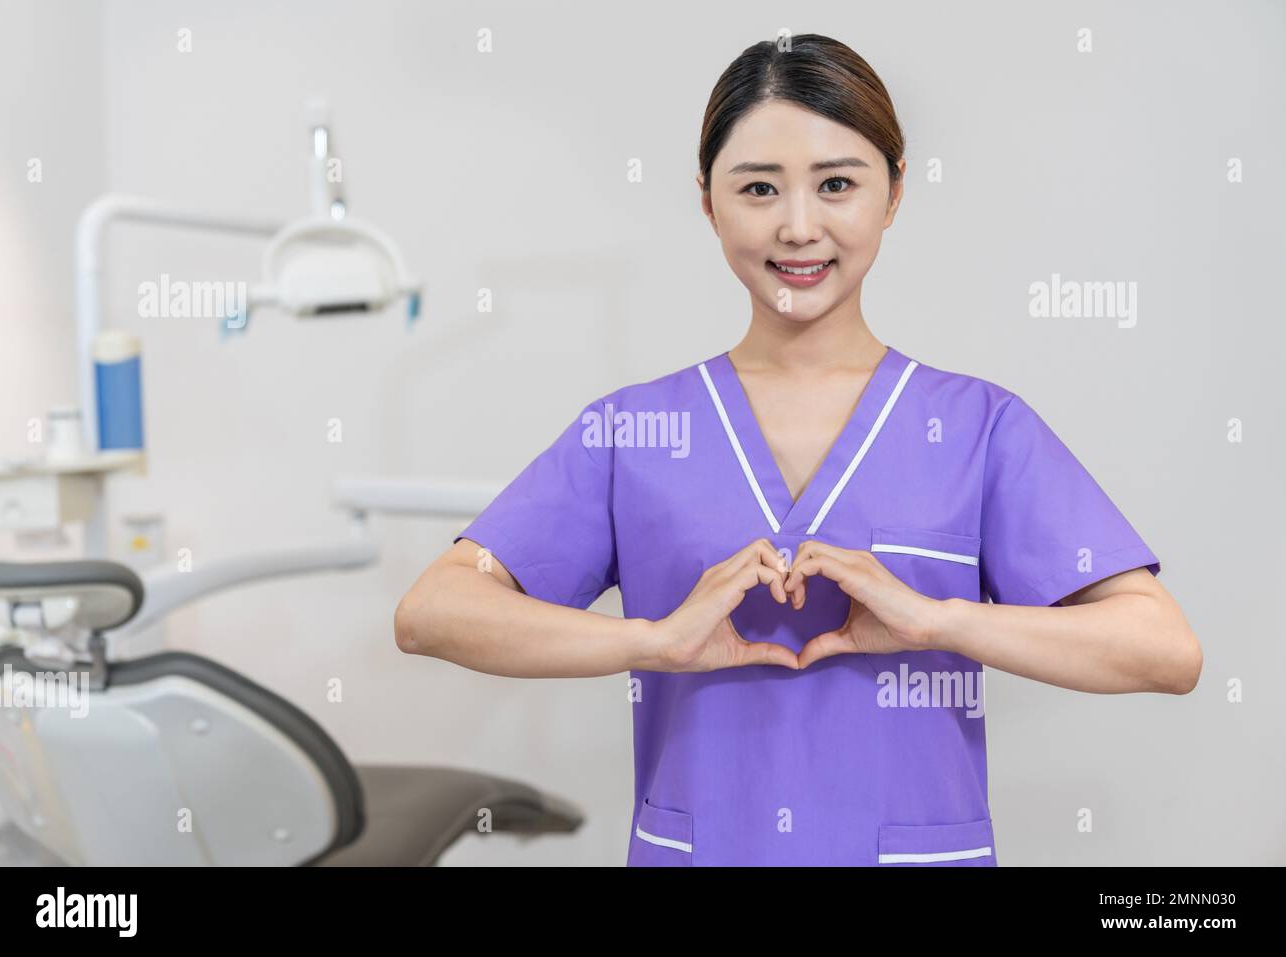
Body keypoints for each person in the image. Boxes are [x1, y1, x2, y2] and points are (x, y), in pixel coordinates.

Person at [393, 34, 1201, 867]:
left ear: (893, 194)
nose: (799, 226)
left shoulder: (979, 428)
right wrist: (652, 642)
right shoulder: (634, 431)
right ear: (708, 201)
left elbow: (1163, 648)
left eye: (838, 184)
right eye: (758, 188)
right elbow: (433, 613)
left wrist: (941, 620)